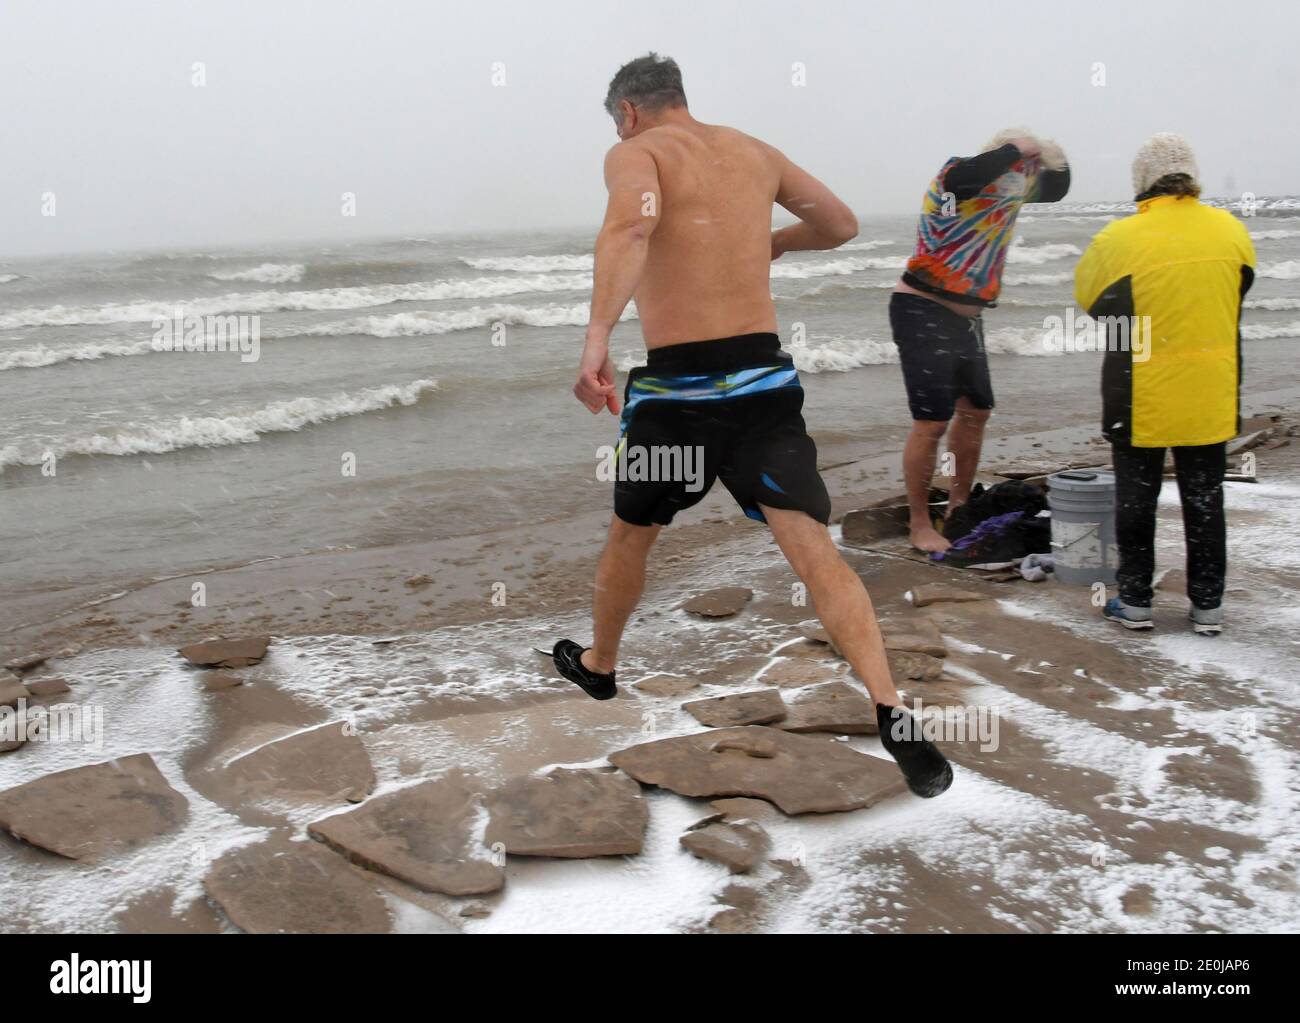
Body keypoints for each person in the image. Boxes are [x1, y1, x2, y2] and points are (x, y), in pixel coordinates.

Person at [552, 53, 951, 797]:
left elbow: (631, 231)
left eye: (617, 122)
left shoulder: (634, 152)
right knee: (813, 549)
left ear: (629, 112)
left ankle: (601, 665)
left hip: (676, 398)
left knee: (632, 533)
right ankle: (891, 706)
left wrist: (596, 340)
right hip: (764, 384)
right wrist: (770, 242)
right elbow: (839, 223)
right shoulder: (755, 152)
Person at [1075, 133, 1256, 635]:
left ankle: (1134, 602)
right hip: (1211, 389)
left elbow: (1092, 301)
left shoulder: (1118, 240)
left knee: (1137, 498)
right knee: (1205, 499)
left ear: (1142, 181)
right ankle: (1208, 607)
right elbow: (1240, 288)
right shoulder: (1231, 231)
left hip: (1140, 391)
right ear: (1191, 175)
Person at [892, 131, 1071, 552]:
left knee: (976, 413)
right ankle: (919, 523)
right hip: (921, 307)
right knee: (932, 422)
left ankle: (957, 507)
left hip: (968, 320)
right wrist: (1014, 150)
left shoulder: (1011, 187)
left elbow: (1059, 190)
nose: (1022, 178)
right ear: (998, 156)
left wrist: (1050, 153)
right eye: (1016, 165)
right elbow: (964, 179)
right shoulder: (956, 176)